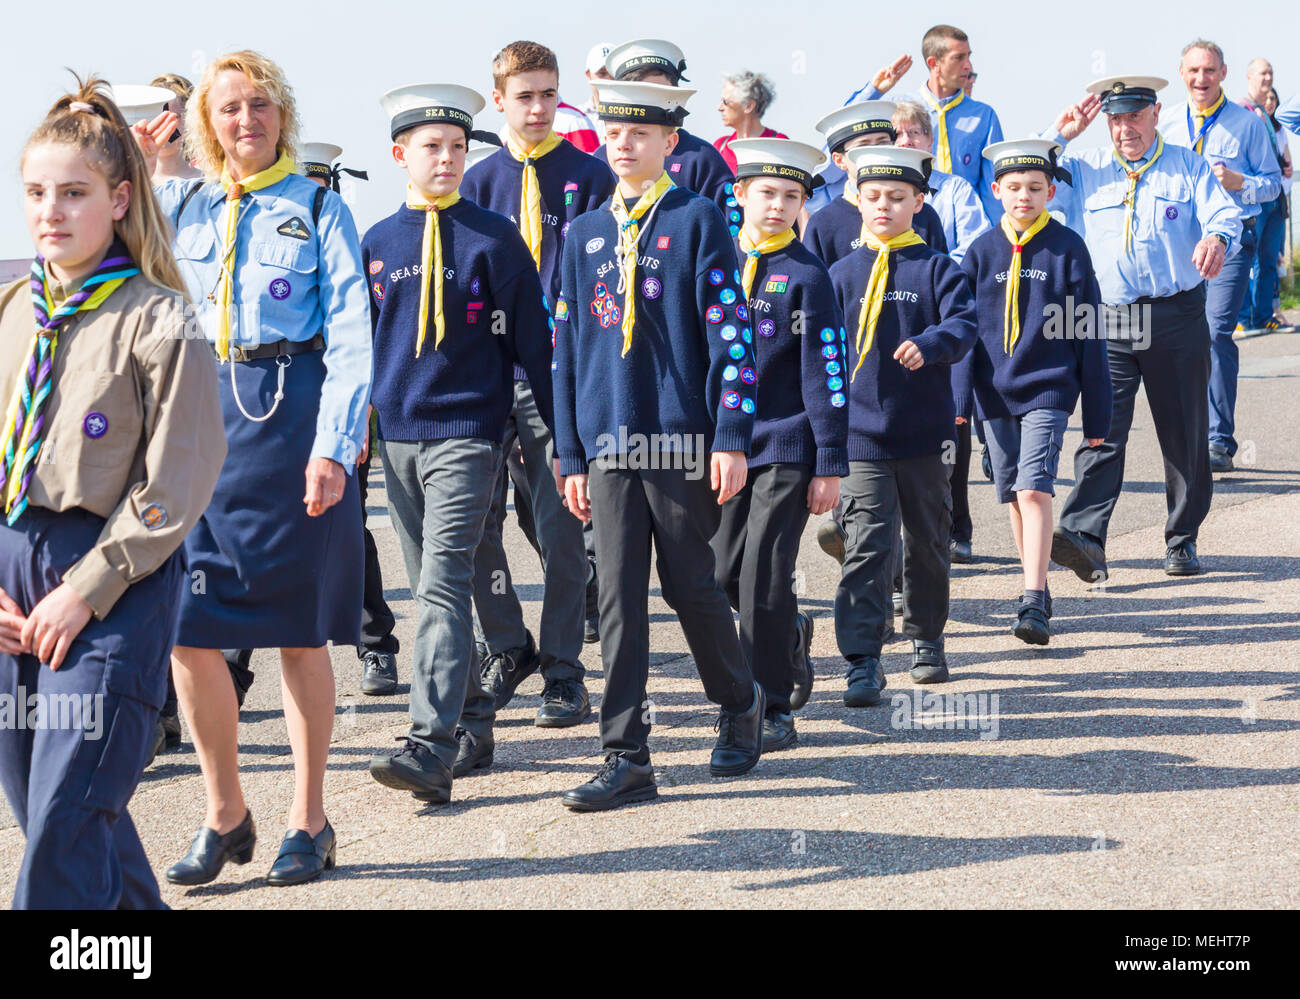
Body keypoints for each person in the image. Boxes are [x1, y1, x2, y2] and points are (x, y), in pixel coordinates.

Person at [135, 49, 373, 887]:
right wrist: (147, 162)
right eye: (229, 107)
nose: (246, 120)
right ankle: (224, 811)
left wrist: (333, 446)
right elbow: (113, 261)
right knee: (187, 633)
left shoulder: (317, 207)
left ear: (283, 116)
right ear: (207, 121)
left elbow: (350, 337)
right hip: (200, 429)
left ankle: (310, 819)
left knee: (300, 633)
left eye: (261, 106)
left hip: (290, 420)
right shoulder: (175, 206)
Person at [0, 77, 224, 908]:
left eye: (74, 193)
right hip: (11, 587)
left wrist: (85, 591)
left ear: (120, 197)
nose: (50, 211)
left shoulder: (160, 316)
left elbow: (178, 479)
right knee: (56, 812)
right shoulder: (15, 308)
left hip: (109, 581)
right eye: (34, 193)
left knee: (64, 821)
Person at [553, 79, 765, 811]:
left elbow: (733, 338)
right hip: (607, 439)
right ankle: (625, 753)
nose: (624, 142)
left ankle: (740, 701)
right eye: (614, 130)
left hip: (680, 439)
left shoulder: (699, 218)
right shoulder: (581, 235)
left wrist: (732, 435)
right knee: (616, 597)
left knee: (688, 585)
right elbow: (568, 351)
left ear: (670, 142)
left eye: (640, 132)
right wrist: (571, 452)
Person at [362, 84, 555, 802]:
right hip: (399, 439)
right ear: (399, 155)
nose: (445, 159)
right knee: (432, 583)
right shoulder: (377, 242)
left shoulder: (495, 238)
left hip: (471, 435)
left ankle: (428, 744)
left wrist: (557, 441)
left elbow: (536, 346)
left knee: (440, 584)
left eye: (456, 147)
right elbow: (362, 347)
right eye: (430, 147)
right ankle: (473, 722)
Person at [461, 40, 614, 732]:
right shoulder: (476, 182)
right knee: (473, 525)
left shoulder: (589, 176)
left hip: (562, 375)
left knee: (560, 525)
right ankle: (507, 643)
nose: (538, 107)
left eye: (549, 94)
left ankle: (563, 669)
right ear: (498, 101)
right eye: (524, 95)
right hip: (489, 374)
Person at [1044, 75, 1241, 582]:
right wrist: (1061, 135)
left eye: (1134, 116)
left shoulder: (1188, 165)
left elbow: (1225, 212)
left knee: (1183, 431)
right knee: (1102, 430)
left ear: (1156, 113)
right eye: (1114, 119)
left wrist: (1217, 237)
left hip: (1175, 314)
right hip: (1110, 318)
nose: (1124, 128)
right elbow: (1030, 181)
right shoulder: (1085, 169)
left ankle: (1182, 537)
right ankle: (1084, 536)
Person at [711, 137, 847, 749]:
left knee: (764, 576)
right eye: (766, 192)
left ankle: (768, 706)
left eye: (792, 196)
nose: (778, 206)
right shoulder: (713, 264)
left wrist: (829, 462)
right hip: (721, 445)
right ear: (739, 195)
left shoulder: (807, 276)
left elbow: (827, 373)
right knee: (716, 577)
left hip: (786, 445)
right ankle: (790, 637)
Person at [830, 145, 976, 706]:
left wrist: (933, 343)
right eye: (873, 198)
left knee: (927, 541)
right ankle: (862, 659)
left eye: (897, 197)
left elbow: (966, 324)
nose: (884, 207)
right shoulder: (840, 275)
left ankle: (926, 638)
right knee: (865, 545)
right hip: (861, 437)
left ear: (918, 201)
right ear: (858, 200)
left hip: (924, 437)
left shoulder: (938, 268)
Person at [958, 139, 1112, 645]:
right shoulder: (980, 251)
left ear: (1050, 191)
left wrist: (1097, 417)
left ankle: (1032, 597)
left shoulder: (1068, 247)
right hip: (993, 395)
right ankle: (1036, 585)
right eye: (1015, 187)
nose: (1024, 196)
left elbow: (1089, 331)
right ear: (997, 190)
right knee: (1012, 495)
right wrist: (960, 403)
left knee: (1033, 487)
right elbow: (963, 333)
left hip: (1049, 388)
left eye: (1035, 188)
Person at [1159, 40, 1281, 474]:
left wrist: (1239, 181)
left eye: (1209, 70)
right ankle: (1184, 434)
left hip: (1231, 241)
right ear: (1181, 72)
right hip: (1179, 243)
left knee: (1214, 333)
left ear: (1224, 73)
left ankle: (1218, 441)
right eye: (1193, 70)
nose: (1201, 79)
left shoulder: (1246, 124)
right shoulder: (1167, 122)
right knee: (1176, 339)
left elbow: (1273, 185)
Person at [894, 98, 990, 565]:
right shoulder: (873, 193)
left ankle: (958, 527)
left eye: (915, 134)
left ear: (930, 142)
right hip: (891, 322)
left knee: (954, 422)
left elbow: (972, 247)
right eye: (898, 134)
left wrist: (929, 275)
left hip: (944, 317)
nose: (906, 142)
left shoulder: (952, 191)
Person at [846, 26, 1004, 223]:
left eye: (968, 57)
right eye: (959, 58)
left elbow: (992, 185)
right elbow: (844, 132)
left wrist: (994, 241)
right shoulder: (897, 106)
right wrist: (874, 91)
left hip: (964, 224)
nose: (968, 66)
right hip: (904, 220)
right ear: (933, 63)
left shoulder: (984, 116)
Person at [603, 39, 739, 223]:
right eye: (640, 93)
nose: (648, 104)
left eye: (658, 93)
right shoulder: (604, 158)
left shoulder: (702, 159)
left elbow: (730, 230)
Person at [803, 102, 946, 268]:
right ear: (839, 160)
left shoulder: (920, 214)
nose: (875, 152)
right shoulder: (824, 224)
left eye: (883, 143)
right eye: (863, 147)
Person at [1238, 73, 1294, 333]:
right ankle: (1243, 318)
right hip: (1257, 198)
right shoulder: (1243, 115)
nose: (1270, 100)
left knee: (1269, 260)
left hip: (1278, 197)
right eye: (1263, 77)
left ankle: (1263, 316)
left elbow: (1287, 166)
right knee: (1250, 259)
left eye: (1273, 96)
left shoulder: (1276, 127)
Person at [713, 71, 787, 174]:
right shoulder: (719, 146)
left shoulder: (779, 143)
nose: (719, 108)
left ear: (748, 106)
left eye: (726, 102)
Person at [147, 76, 201, 183]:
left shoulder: (207, 183)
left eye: (173, 117)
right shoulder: (133, 182)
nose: (162, 126)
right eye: (156, 117)